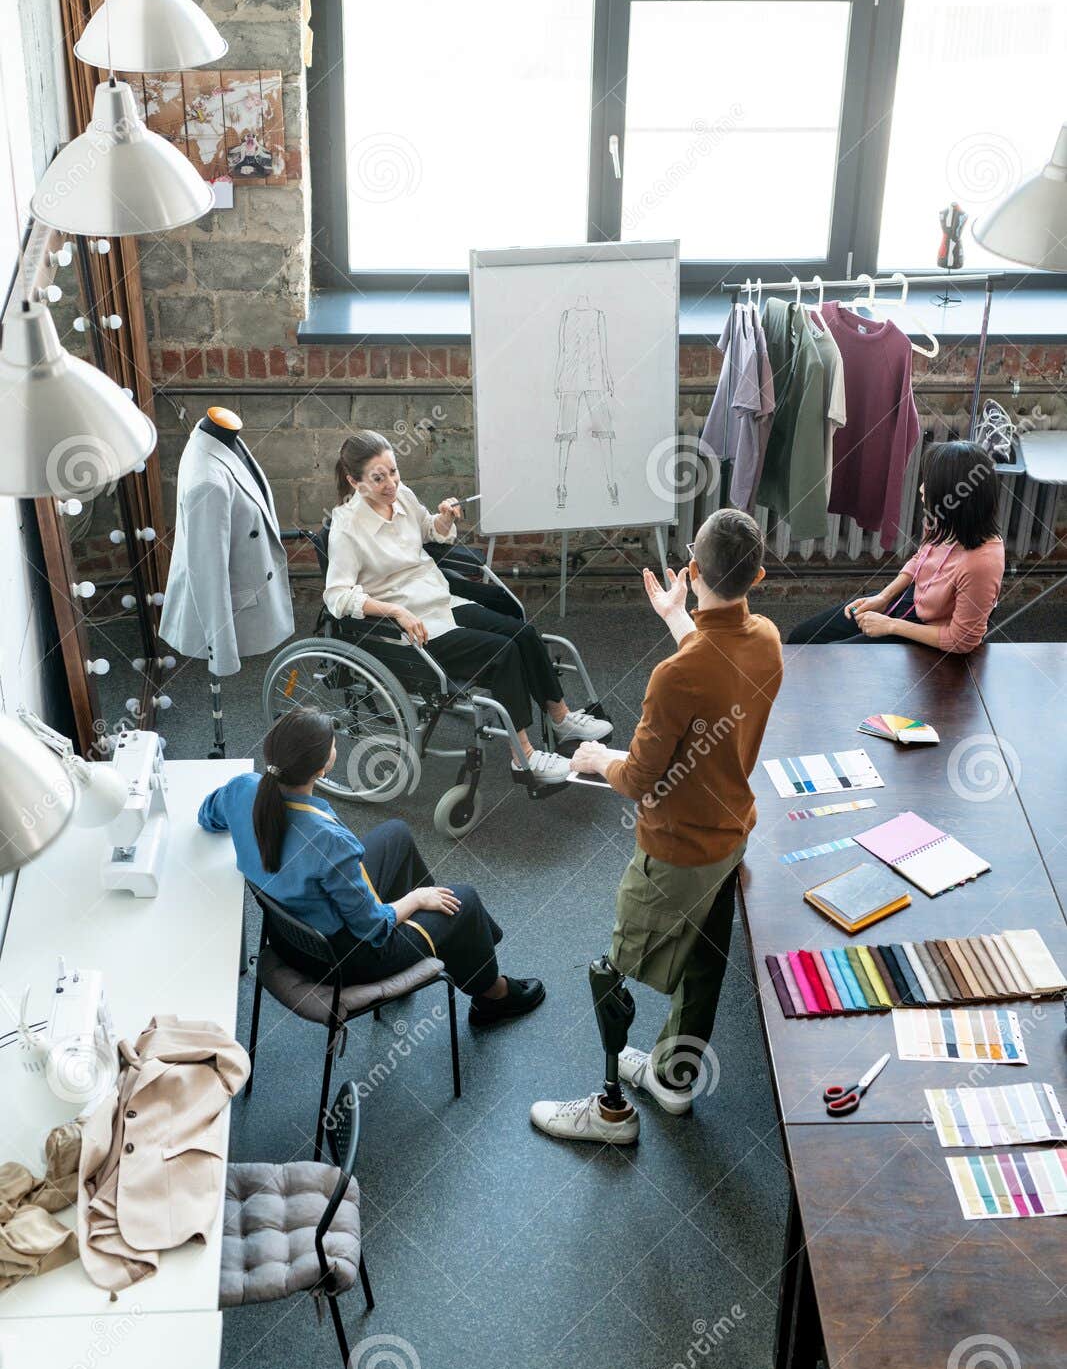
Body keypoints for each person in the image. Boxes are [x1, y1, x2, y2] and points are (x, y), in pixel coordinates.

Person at [529, 509, 784, 1144]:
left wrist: (596, 757)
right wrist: (678, 617)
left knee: (608, 969)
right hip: (730, 836)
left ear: (693, 570)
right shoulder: (769, 640)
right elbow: (715, 672)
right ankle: (674, 1077)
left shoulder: (676, 675)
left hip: (675, 850)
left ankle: (611, 1112)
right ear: (757, 574)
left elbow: (640, 776)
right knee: (703, 962)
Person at [198, 708, 544, 1026]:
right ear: (322, 768)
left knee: (396, 834)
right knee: (462, 900)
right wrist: (418, 899)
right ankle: (492, 996)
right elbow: (374, 928)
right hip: (345, 959)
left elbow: (207, 816)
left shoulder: (242, 788)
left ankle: (447, 944)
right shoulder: (330, 842)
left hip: (291, 940)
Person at [324, 431, 613, 783]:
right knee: (502, 653)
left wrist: (444, 518)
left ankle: (561, 718)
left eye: (394, 472)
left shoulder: (403, 497)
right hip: (409, 626)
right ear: (355, 481)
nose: (391, 484)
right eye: (378, 478)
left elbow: (430, 530)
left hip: (439, 600)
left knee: (523, 633)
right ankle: (523, 758)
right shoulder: (347, 527)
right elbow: (337, 596)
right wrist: (394, 611)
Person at [788, 440, 1004, 654]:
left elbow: (962, 641)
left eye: (929, 483)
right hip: (909, 602)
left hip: (931, 634)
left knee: (831, 658)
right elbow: (922, 558)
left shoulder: (982, 564)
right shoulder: (942, 518)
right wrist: (884, 597)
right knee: (801, 638)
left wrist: (891, 626)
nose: (921, 489)